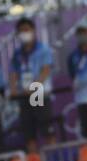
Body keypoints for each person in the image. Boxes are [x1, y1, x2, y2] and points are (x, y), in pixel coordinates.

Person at [9, 17, 55, 153]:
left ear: (33, 31)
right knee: (28, 132)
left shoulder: (43, 49)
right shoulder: (18, 54)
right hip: (24, 96)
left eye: (26, 30)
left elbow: (46, 70)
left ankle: (52, 159)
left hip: (39, 93)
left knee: (47, 130)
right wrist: (13, 89)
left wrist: (34, 87)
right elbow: (13, 73)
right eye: (21, 31)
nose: (24, 33)